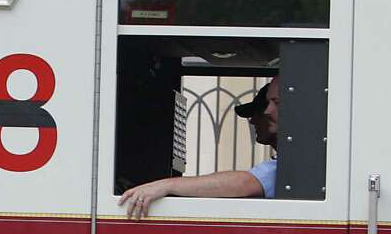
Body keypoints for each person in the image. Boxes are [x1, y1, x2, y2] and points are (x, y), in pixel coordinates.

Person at [118, 77, 280, 219]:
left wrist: (165, 186)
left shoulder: (295, 162)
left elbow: (246, 183)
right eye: (267, 104)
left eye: (277, 103)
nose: (265, 112)